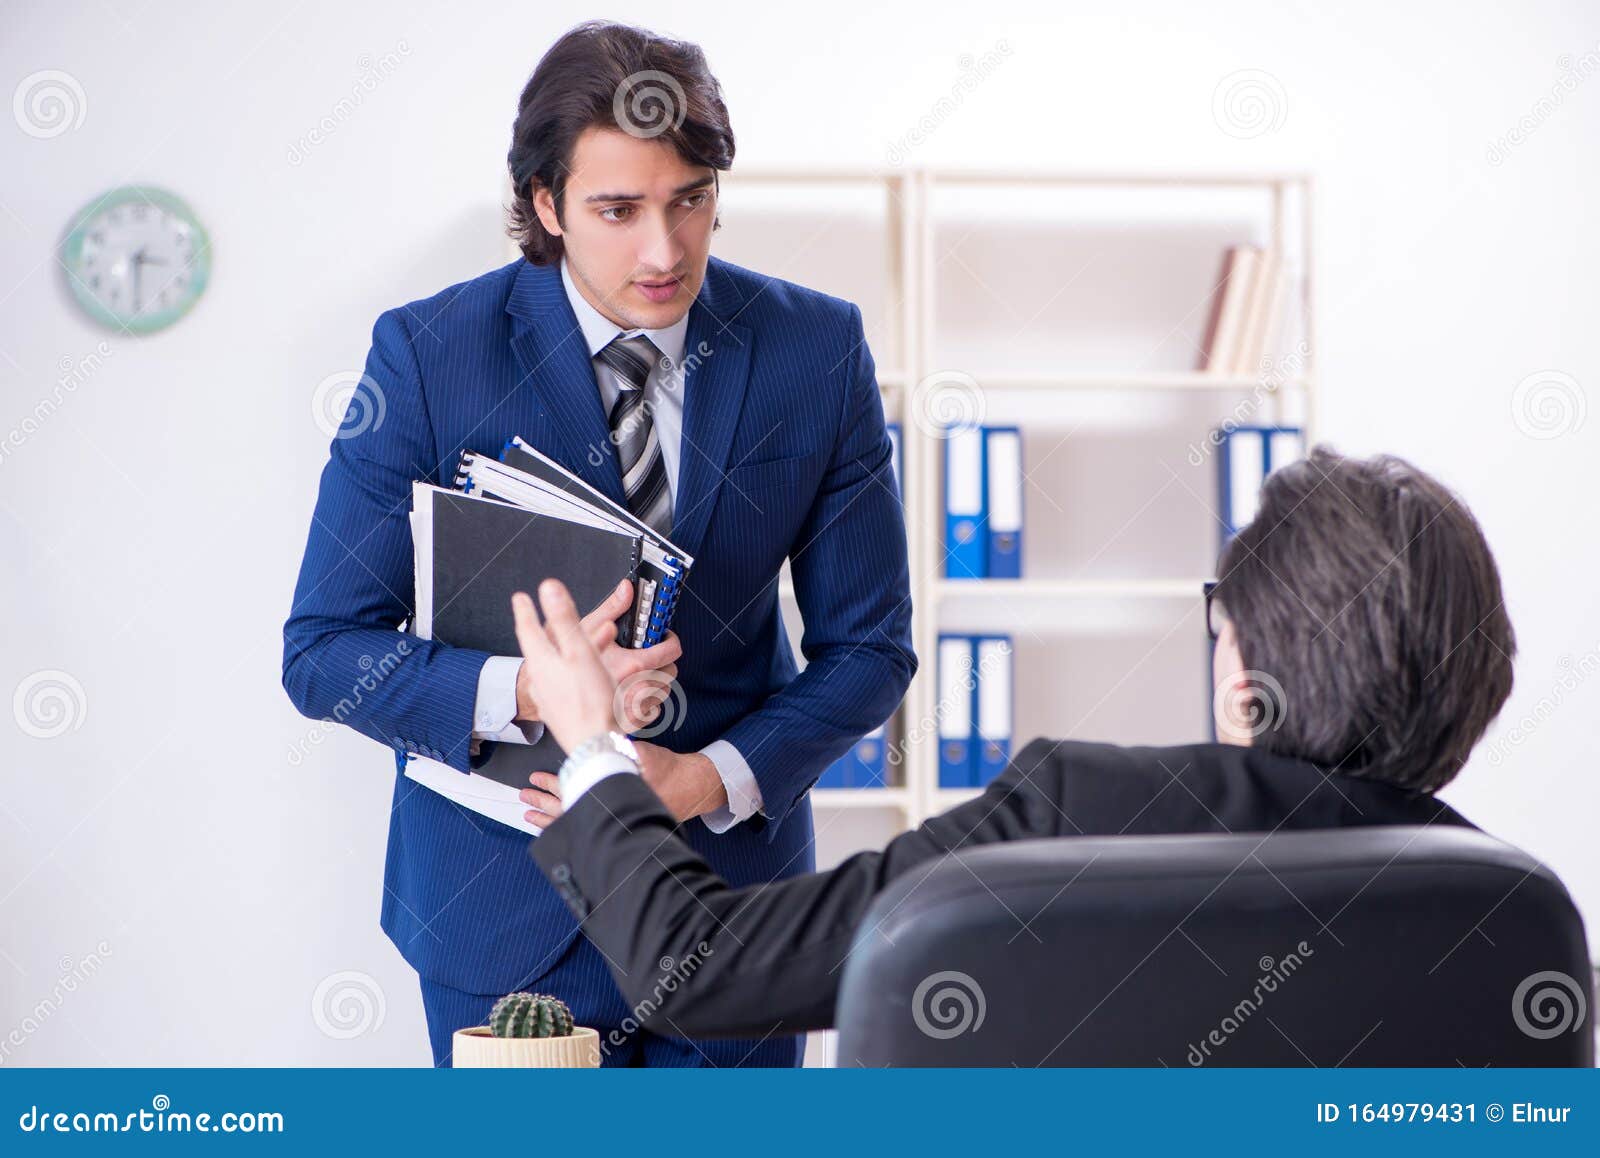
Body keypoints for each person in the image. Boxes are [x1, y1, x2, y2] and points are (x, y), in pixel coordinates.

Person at [281, 21, 914, 1066]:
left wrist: (704, 778)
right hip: (499, 916)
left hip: (730, 913)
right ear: (544, 204)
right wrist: (534, 695)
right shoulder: (431, 353)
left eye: (690, 202)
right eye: (617, 211)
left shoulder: (815, 348)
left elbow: (870, 649)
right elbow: (322, 650)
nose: (663, 252)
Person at [512, 446, 1517, 1039]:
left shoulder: (1076, 821)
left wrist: (595, 744)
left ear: (1246, 670)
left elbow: (705, 969)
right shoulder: (1510, 916)